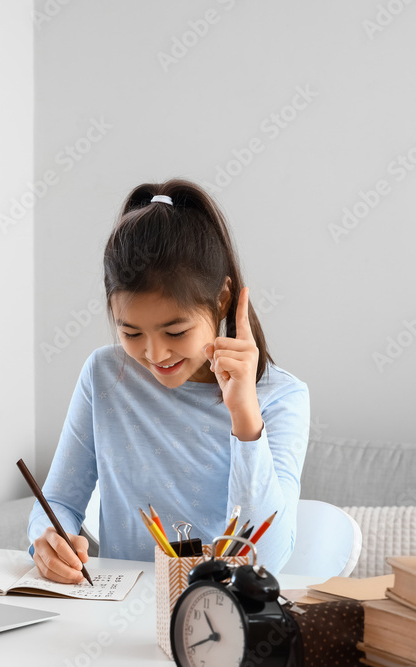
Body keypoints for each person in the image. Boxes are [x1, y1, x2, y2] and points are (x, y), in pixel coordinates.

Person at [27, 179, 310, 583]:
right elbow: (58, 501)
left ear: (223, 299)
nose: (155, 355)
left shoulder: (281, 397)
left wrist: (244, 415)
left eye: (175, 332)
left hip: (219, 613)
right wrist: (47, 537)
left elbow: (267, 558)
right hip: (117, 611)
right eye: (131, 333)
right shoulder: (105, 374)